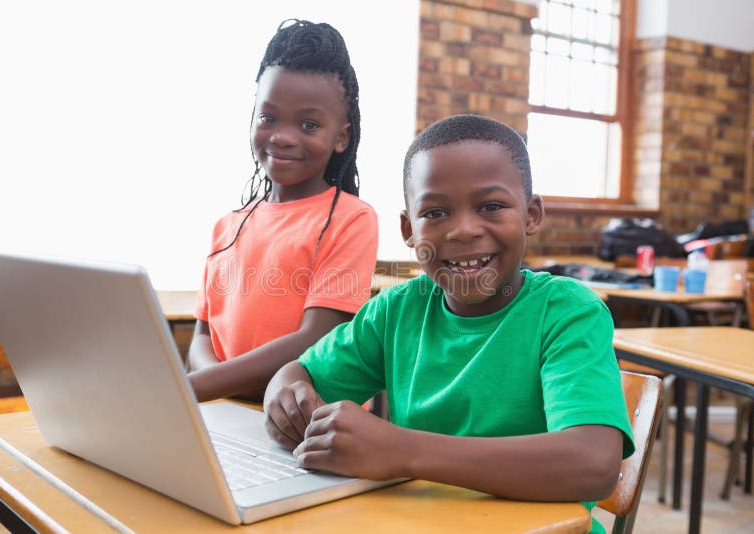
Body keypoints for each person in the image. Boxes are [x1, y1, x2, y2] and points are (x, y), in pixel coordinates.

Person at [263, 114, 634, 534]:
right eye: (436, 212)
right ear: (408, 229)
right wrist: (284, 394)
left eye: (491, 206)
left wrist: (403, 451)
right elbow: (301, 372)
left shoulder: (567, 312)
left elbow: (593, 465)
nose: (463, 231)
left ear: (531, 214)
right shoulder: (398, 309)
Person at [188, 19, 377, 403]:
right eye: (268, 118)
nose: (283, 136)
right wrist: (207, 390)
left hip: (294, 423)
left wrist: (195, 388)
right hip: (220, 412)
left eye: (308, 124)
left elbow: (314, 337)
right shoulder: (227, 227)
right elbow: (202, 336)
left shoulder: (351, 219)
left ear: (341, 136)